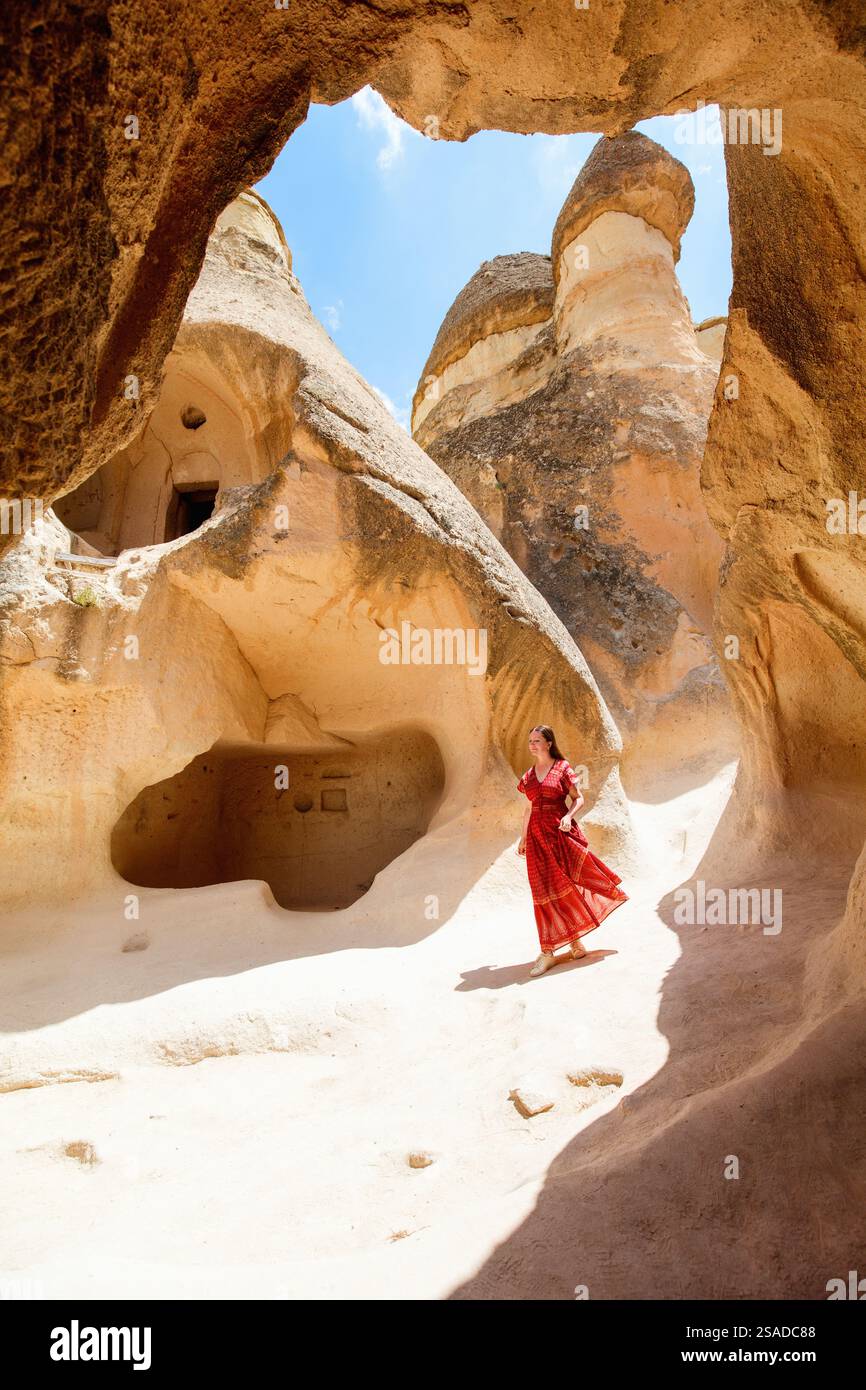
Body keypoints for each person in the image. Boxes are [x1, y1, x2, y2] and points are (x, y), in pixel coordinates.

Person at [517, 724, 628, 978]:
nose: (532, 744)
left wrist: (568, 816)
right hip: (535, 837)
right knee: (543, 890)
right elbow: (528, 808)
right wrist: (522, 838)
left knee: (566, 885)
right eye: (530, 740)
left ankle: (562, 947)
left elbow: (578, 798)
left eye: (537, 740)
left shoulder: (562, 768)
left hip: (558, 834)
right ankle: (558, 947)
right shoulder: (529, 776)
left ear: (548, 743)